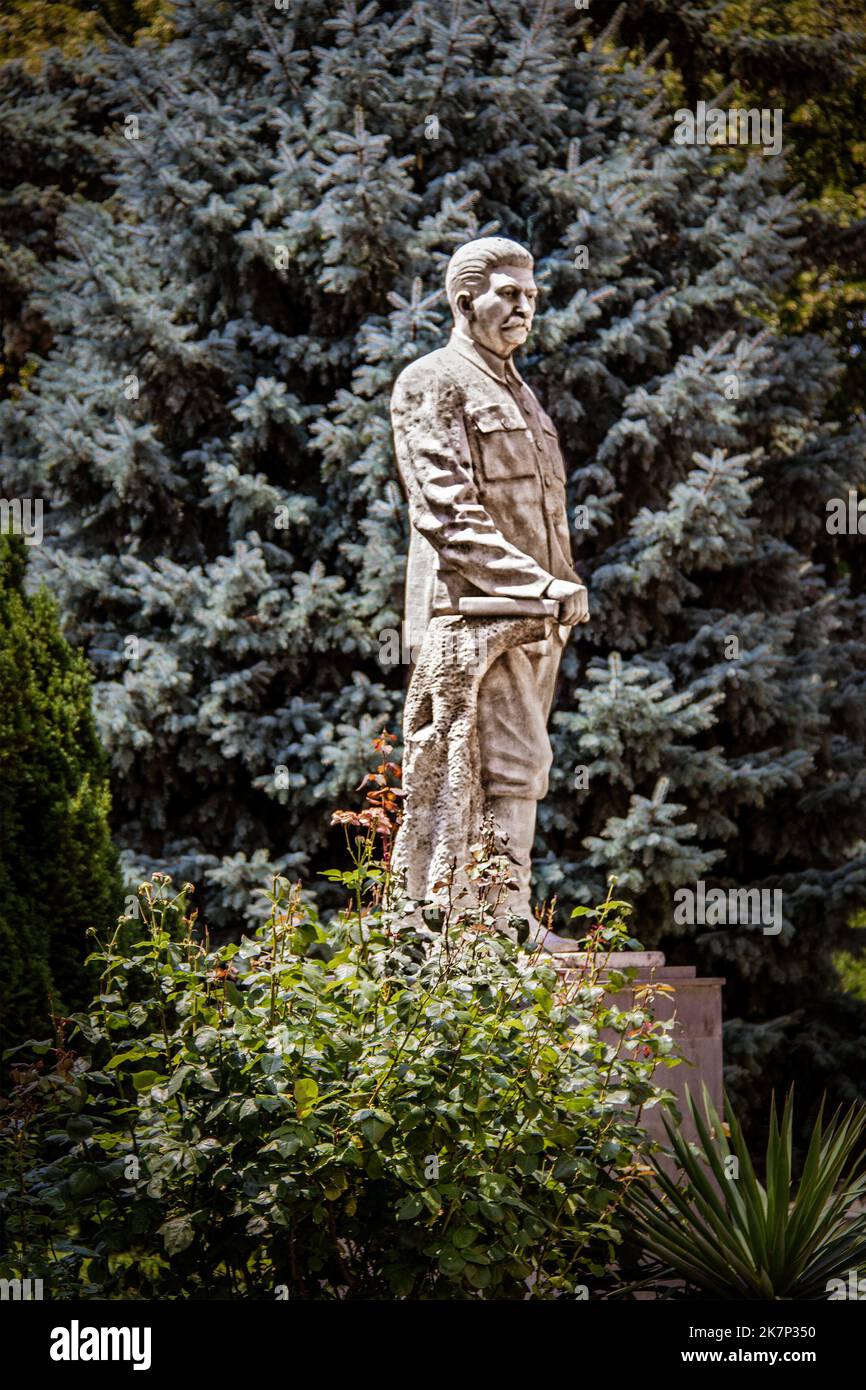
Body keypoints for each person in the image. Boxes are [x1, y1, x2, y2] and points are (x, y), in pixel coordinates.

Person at [390, 236, 589, 950]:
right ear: (464, 300)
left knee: (517, 768)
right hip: (474, 614)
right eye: (509, 294)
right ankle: (493, 926)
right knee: (504, 764)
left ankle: (495, 916)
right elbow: (446, 510)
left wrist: (554, 592)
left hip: (538, 616)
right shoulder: (433, 380)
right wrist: (535, 583)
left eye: (531, 297)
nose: (524, 308)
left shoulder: (521, 395)